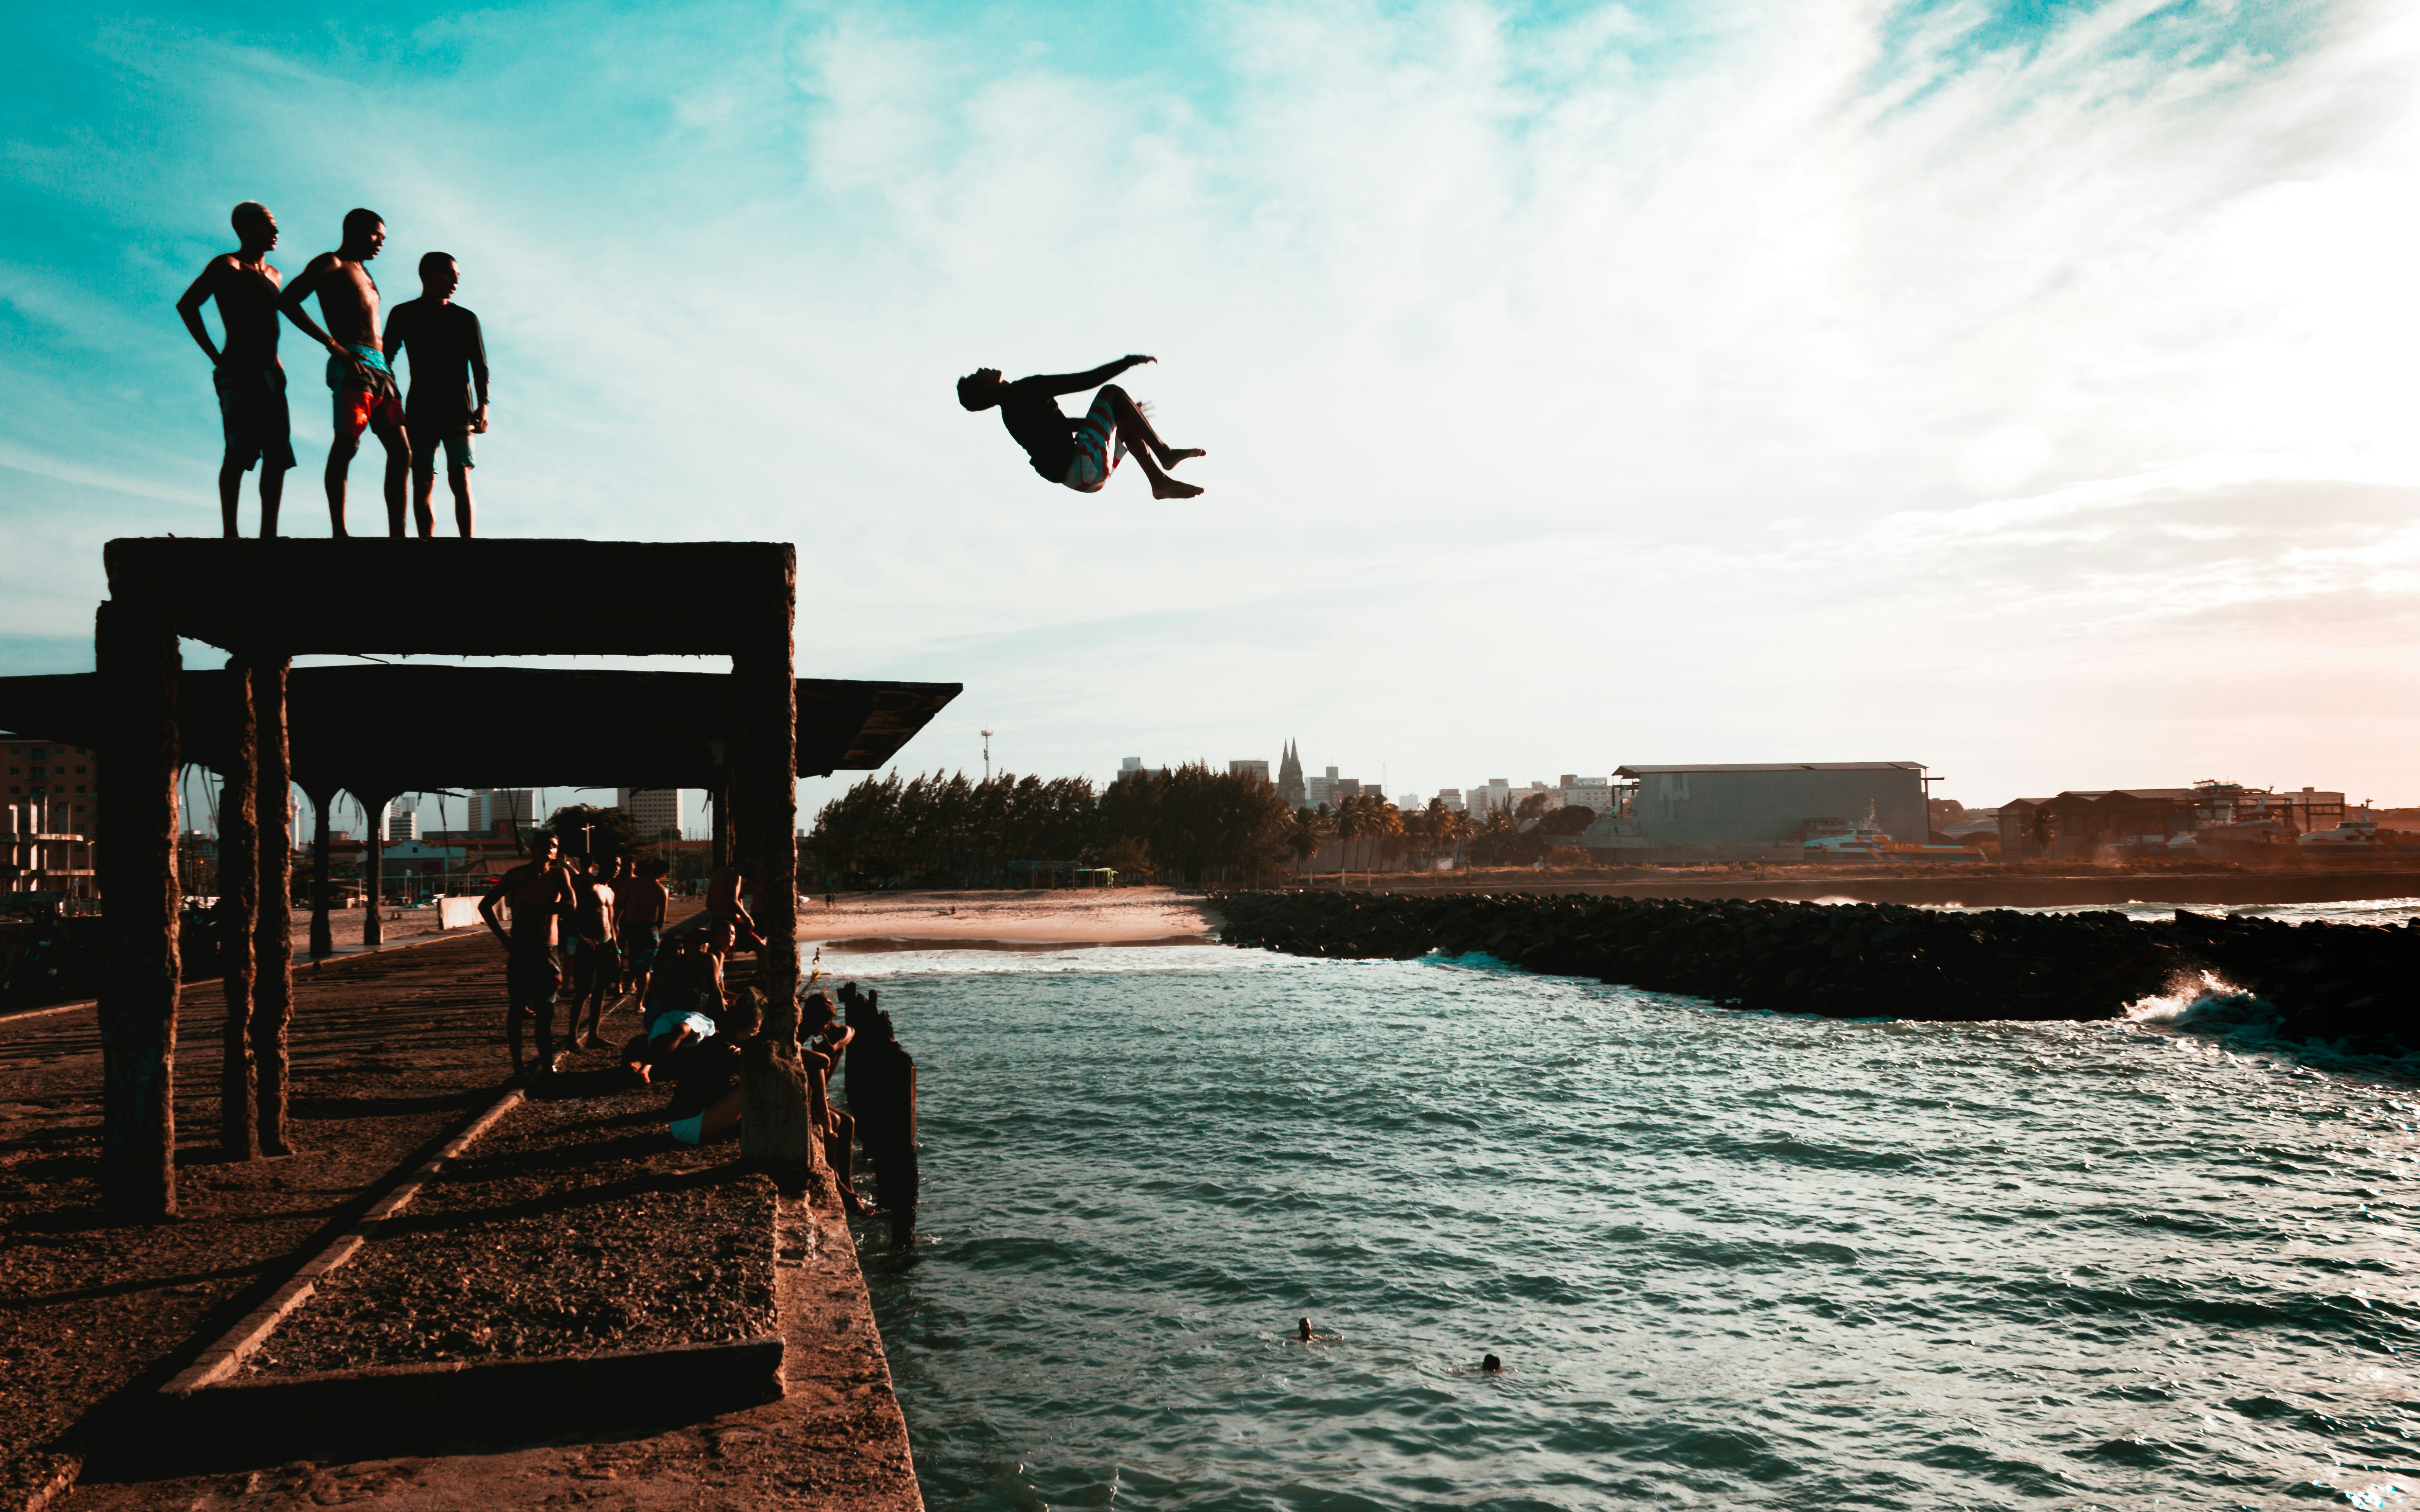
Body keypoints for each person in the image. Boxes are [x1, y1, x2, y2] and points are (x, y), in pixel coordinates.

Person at [277, 208, 412, 537]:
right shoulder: (331, 263)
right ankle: (340, 530)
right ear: (353, 230)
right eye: (375, 235)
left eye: (383, 238)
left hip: (381, 368)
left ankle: (399, 535)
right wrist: (331, 343)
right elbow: (288, 301)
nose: (380, 243)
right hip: (352, 362)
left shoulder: (365, 272)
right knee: (348, 444)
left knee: (402, 450)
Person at [176, 201, 295, 538]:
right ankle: (231, 533)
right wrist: (215, 356)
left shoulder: (275, 275)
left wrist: (279, 365)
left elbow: (270, 321)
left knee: (276, 453)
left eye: (275, 225)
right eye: (266, 225)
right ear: (245, 229)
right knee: (239, 451)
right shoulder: (227, 265)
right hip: (238, 371)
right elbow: (187, 305)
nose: (275, 231)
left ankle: (268, 534)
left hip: (272, 374)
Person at [956, 355, 1205, 500]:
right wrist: (1128, 362)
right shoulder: (1024, 390)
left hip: (1081, 479)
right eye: (979, 376)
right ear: (987, 389)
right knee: (1113, 393)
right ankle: (1165, 453)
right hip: (1083, 464)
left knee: (1126, 422)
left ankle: (1159, 482)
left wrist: (1120, 415)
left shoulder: (1010, 413)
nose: (982, 369)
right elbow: (1087, 380)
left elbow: (1063, 427)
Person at [381, 251, 490, 537]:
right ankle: (425, 541)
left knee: (461, 477)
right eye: (450, 274)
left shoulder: (466, 318)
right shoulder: (404, 313)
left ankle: (467, 540)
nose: (455, 281)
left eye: (458, 276)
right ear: (428, 275)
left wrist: (484, 406)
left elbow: (480, 365)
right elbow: (385, 358)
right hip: (420, 409)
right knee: (423, 478)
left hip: (460, 409)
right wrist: (390, 394)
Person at [477, 831, 578, 1078]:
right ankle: (519, 1069)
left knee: (546, 1012)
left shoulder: (559, 874)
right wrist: (503, 939)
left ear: (557, 852)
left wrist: (539, 908)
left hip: (549, 951)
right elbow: (485, 905)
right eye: (544, 844)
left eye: (553, 845)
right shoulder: (518, 876)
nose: (548, 848)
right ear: (532, 848)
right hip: (522, 950)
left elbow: (571, 905)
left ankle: (547, 1065)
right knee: (517, 1010)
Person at [845, 1008, 917, 1243]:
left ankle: (887, 1208)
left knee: (886, 1165)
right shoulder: (899, 1059)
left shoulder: (893, 1059)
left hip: (883, 1126)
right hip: (892, 1130)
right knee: (896, 1179)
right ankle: (901, 1244)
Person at [568, 854, 620, 1049]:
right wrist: (581, 938)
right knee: (583, 992)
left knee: (601, 991)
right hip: (589, 945)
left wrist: (617, 950)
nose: (616, 868)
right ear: (601, 865)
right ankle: (572, 1038)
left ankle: (593, 1036)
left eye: (618, 865)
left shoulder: (610, 891)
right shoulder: (588, 887)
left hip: (607, 945)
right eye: (612, 864)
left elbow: (613, 925)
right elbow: (571, 914)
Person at [620, 857, 671, 1005]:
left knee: (633, 958)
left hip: (631, 925)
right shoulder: (661, 890)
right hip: (648, 929)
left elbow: (621, 904)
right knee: (646, 968)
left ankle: (630, 984)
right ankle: (639, 1004)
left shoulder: (633, 883)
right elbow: (661, 918)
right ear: (665, 874)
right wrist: (656, 932)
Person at [707, 861, 764, 959]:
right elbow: (733, 901)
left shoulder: (716, 874)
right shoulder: (736, 874)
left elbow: (708, 903)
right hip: (732, 922)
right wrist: (748, 919)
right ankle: (765, 974)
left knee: (718, 953)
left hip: (716, 921)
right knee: (762, 948)